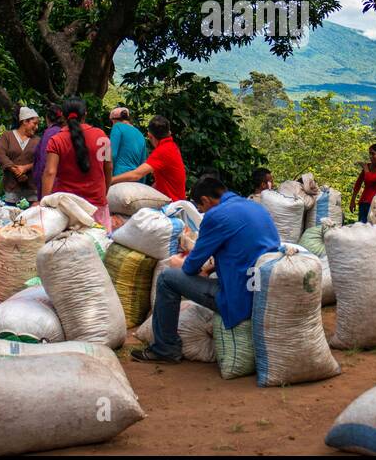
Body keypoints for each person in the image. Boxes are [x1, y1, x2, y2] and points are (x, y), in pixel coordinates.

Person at [130, 175, 281, 364]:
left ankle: (165, 349)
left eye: (200, 209)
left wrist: (180, 263)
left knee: (167, 279)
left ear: (205, 200)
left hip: (239, 298)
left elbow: (191, 266)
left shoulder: (216, 215)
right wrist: (210, 270)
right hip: (263, 291)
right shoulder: (255, 207)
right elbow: (246, 249)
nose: (202, 212)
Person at [42, 97, 113, 227]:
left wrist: (44, 203)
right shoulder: (101, 136)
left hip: (66, 206)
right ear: (85, 113)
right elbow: (108, 167)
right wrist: (103, 194)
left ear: (63, 115)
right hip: (96, 204)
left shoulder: (56, 140)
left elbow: (50, 172)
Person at [111, 115, 187, 202]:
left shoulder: (163, 150)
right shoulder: (172, 147)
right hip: (177, 199)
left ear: (150, 136)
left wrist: (109, 180)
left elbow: (136, 174)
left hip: (171, 203)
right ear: (169, 133)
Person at [0, 106, 40, 204]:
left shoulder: (37, 140)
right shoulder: (7, 136)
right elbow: (1, 156)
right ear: (24, 121)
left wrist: (25, 168)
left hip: (31, 190)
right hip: (11, 188)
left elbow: (41, 160)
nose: (37, 127)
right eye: (35, 123)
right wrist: (16, 170)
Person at [349, 144, 376, 224]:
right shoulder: (368, 167)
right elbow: (358, 183)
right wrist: (353, 199)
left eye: (373, 154)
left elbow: (371, 179)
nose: (370, 156)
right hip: (363, 203)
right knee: (361, 228)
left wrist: (365, 168)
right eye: (369, 154)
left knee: (373, 228)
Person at [34, 104, 66, 199]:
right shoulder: (63, 131)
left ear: (47, 118)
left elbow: (45, 163)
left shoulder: (50, 133)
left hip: (51, 185)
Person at [109, 106, 148, 178]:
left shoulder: (117, 127)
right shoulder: (140, 134)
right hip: (135, 178)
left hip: (119, 175)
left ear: (113, 120)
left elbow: (112, 154)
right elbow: (143, 162)